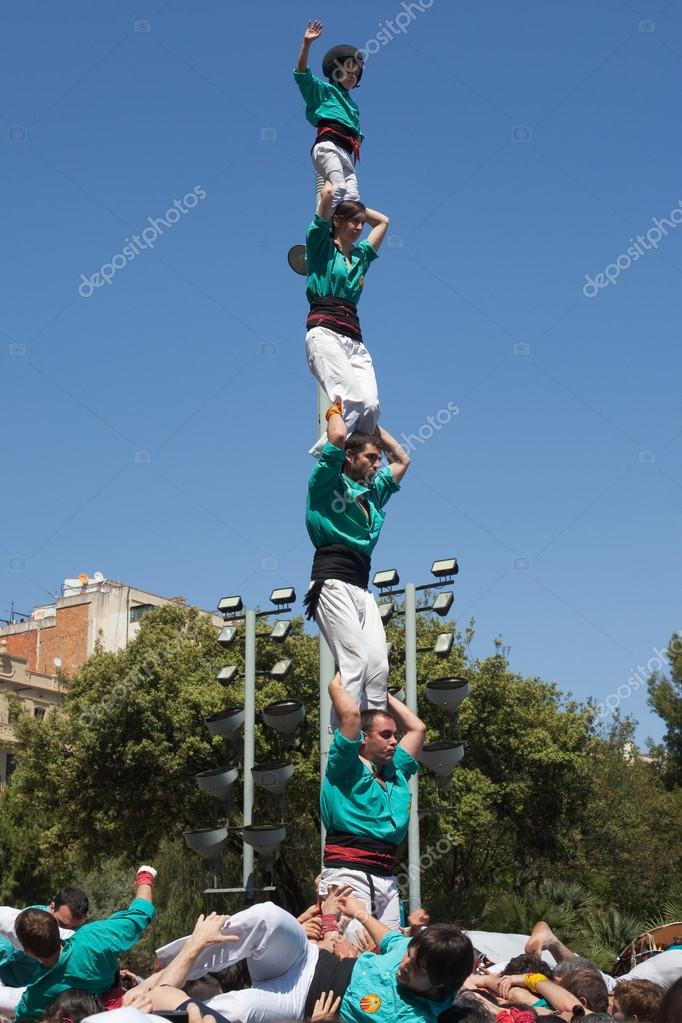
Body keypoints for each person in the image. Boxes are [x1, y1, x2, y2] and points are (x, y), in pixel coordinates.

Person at [153, 897, 474, 1023]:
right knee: (269, 915)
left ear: (440, 983)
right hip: (304, 958)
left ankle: (153, 1014)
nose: (405, 964)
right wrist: (360, 913)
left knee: (236, 1009)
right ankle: (165, 973)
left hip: (297, 1002)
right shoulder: (410, 952)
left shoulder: (416, 1020)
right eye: (409, 955)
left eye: (416, 968)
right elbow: (389, 939)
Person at [305, 409, 410, 715]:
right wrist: (336, 409)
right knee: (355, 662)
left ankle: (373, 733)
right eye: (371, 458)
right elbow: (337, 437)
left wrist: (374, 428)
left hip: (361, 588)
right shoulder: (327, 484)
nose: (378, 464)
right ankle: (344, 735)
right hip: (332, 581)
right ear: (349, 458)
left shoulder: (372, 494)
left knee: (378, 665)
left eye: (378, 458)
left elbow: (402, 460)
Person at [318, 674, 425, 929]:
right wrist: (344, 678)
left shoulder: (395, 771)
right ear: (364, 738)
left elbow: (417, 728)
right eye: (386, 735)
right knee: (353, 947)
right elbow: (352, 718)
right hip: (348, 873)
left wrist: (380, 694)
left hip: (386, 877)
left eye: (394, 735)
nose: (394, 741)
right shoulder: (345, 767)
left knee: (388, 948)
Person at [305, 180, 389, 453]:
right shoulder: (322, 246)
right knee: (351, 399)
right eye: (352, 221)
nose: (359, 227)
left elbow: (384, 223)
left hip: (354, 337)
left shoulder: (361, 255)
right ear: (337, 220)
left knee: (371, 406)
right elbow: (328, 194)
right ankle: (327, 456)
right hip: (325, 331)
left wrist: (357, 203)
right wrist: (337, 189)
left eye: (361, 223)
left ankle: (352, 463)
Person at [12, 866, 156, 1021]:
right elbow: (141, 913)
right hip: (123, 1011)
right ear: (57, 930)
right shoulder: (94, 939)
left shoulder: (35, 998)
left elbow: (22, 1017)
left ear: (27, 950)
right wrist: (145, 878)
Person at [294, 21, 365, 208]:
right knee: (338, 188)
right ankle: (320, 228)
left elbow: (357, 135)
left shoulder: (353, 107)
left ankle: (337, 234)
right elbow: (302, 75)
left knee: (352, 201)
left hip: (347, 153)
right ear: (336, 70)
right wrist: (307, 43)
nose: (353, 76)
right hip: (328, 146)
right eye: (349, 70)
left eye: (357, 74)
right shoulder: (325, 91)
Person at [0, 887, 89, 1002]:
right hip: (14, 993)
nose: (66, 931)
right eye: (61, 924)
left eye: (74, 928)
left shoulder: (77, 933)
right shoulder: (28, 929)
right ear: (52, 907)